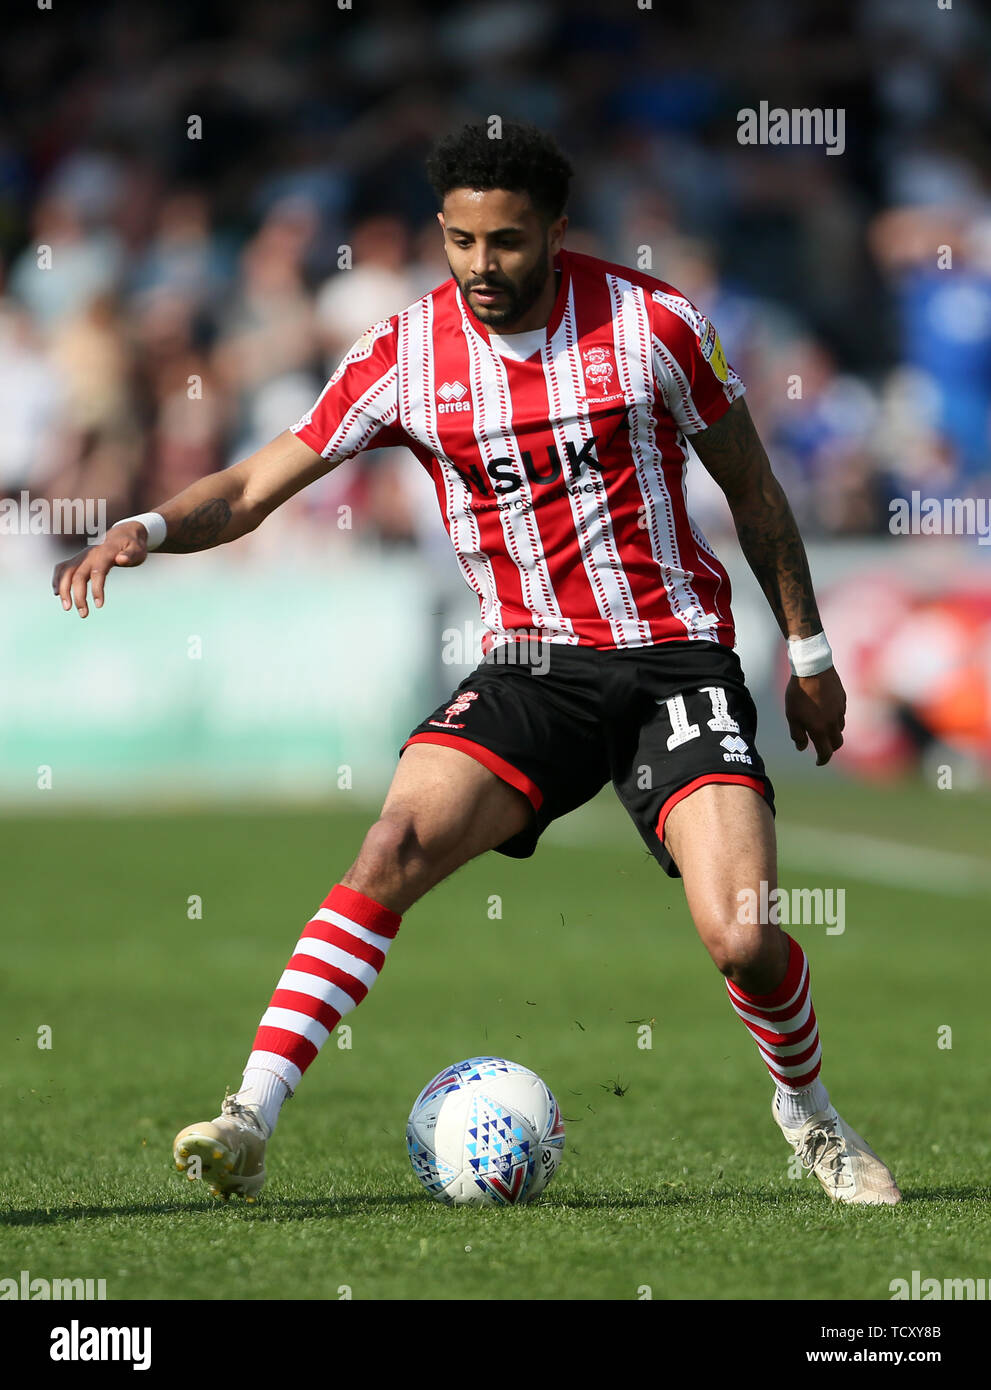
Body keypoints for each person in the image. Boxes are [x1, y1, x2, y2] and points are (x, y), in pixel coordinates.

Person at [52, 121, 899, 1206]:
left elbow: (754, 489)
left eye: (503, 242)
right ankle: (248, 1115)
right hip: (530, 668)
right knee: (391, 844)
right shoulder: (406, 351)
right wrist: (150, 530)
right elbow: (256, 484)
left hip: (674, 662)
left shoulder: (654, 326)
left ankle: (811, 1116)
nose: (479, 267)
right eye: (459, 240)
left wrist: (812, 651)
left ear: (553, 229)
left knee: (742, 939)